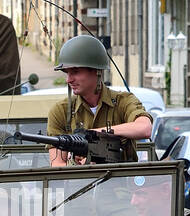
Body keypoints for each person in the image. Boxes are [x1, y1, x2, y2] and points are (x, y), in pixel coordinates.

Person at [46, 34, 151, 166]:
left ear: (96, 71)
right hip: (78, 185)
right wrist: (79, 166)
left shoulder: (123, 102)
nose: (69, 79)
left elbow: (144, 128)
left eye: (75, 71)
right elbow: (57, 164)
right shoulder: (61, 111)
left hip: (122, 183)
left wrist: (92, 135)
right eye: (67, 73)